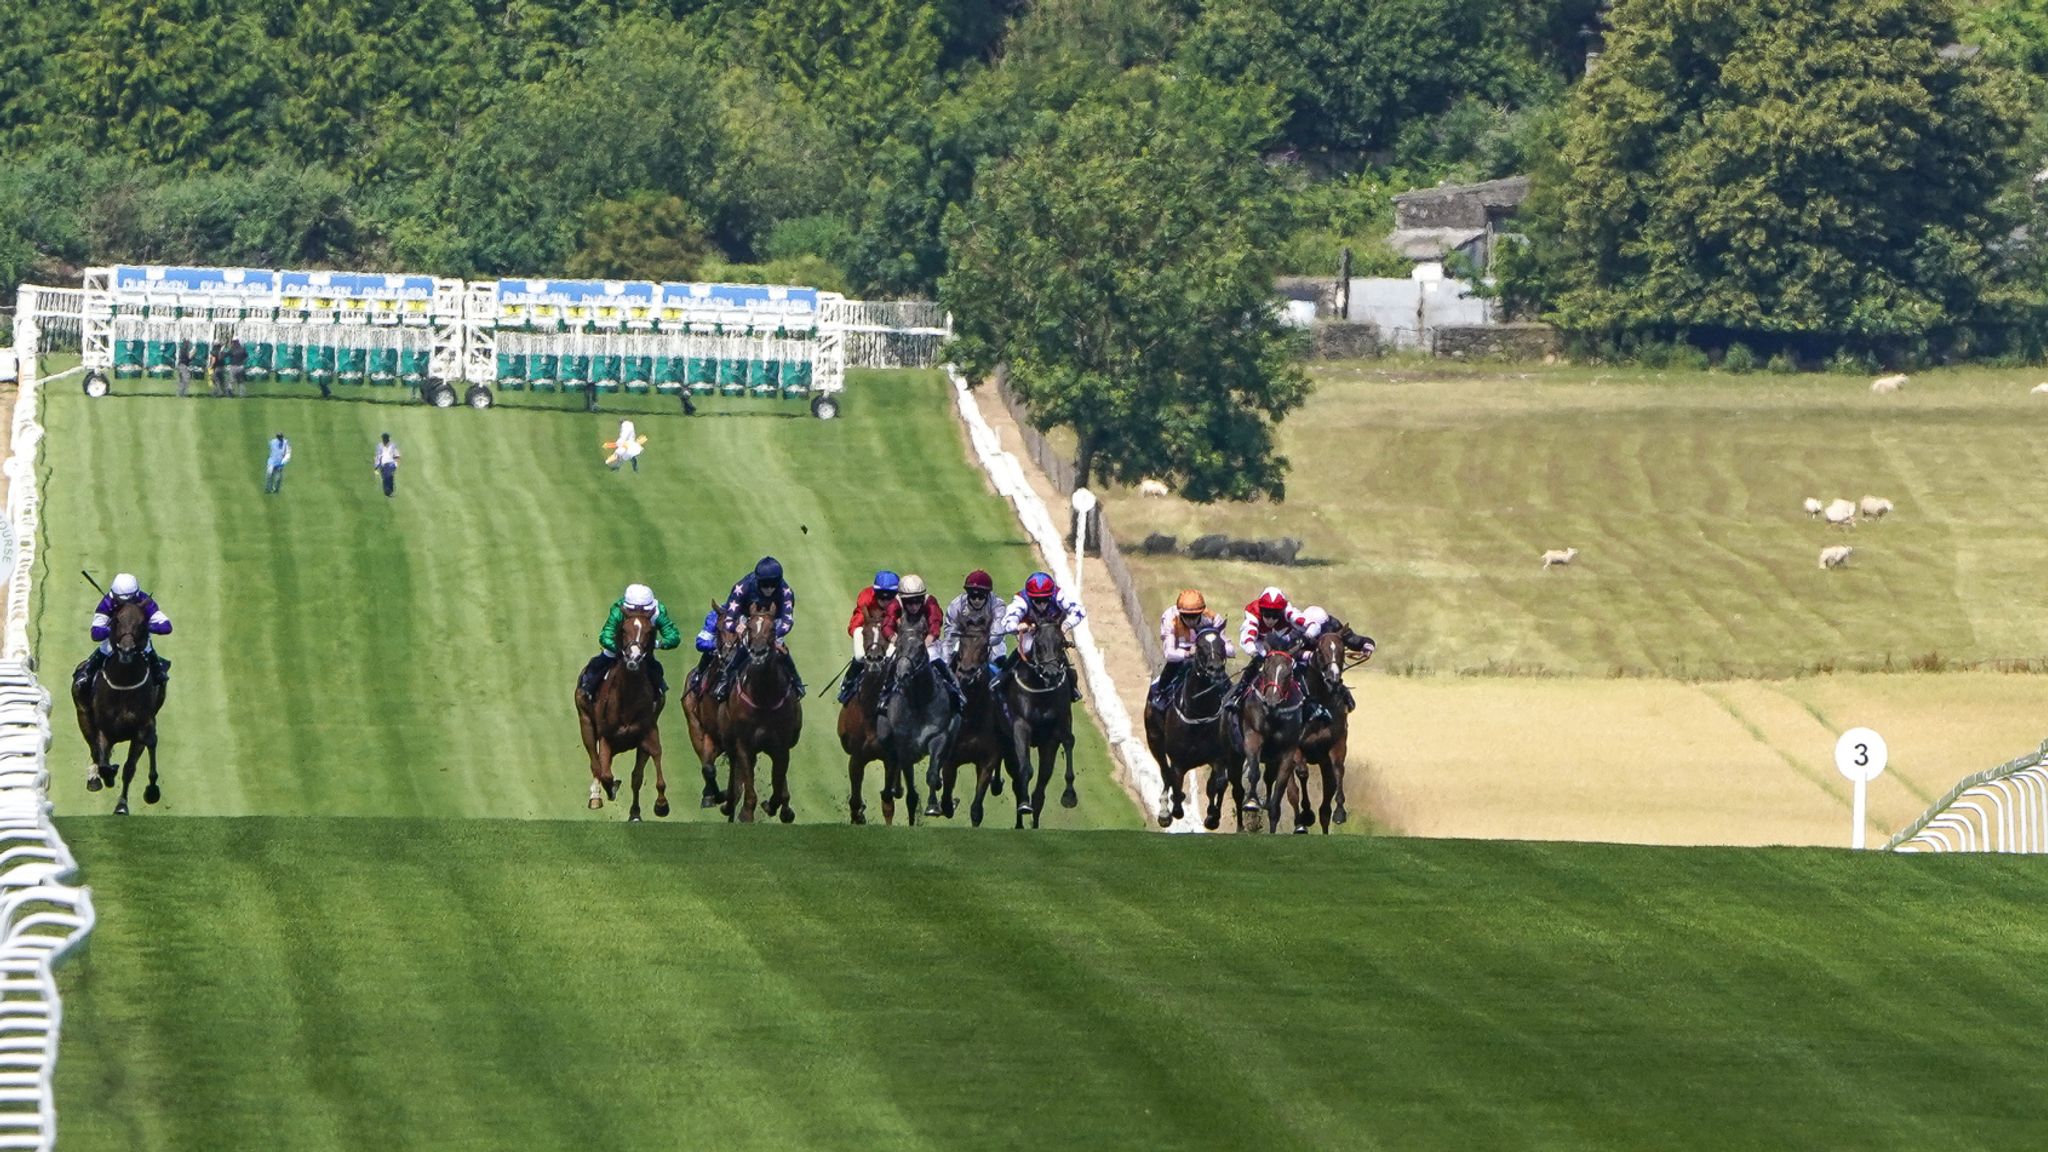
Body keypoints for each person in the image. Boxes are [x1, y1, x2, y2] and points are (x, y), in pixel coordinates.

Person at [713, 556, 802, 700]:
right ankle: (725, 681)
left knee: (782, 649)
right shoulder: (742, 588)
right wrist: (737, 627)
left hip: (771, 625)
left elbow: (787, 621)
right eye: (765, 585)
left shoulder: (786, 592)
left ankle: (796, 681)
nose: (769, 589)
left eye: (773, 585)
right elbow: (728, 619)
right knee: (742, 647)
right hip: (747, 620)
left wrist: (770, 634)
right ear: (758, 581)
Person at [577, 583, 681, 699]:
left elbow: (673, 636)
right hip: (618, 649)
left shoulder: (658, 613)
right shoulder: (618, 611)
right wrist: (621, 649)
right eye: (634, 610)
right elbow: (606, 636)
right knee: (595, 666)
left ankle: (656, 699)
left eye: (643, 611)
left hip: (643, 653)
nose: (638, 613)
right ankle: (587, 693)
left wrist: (656, 644)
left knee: (657, 670)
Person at [75, 573, 173, 691]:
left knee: (152, 658)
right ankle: (86, 675)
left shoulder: (145, 601)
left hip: (140, 642)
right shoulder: (108, 602)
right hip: (112, 643)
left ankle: (159, 675)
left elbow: (166, 626)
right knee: (104, 650)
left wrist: (144, 627)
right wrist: (114, 628)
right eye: (120, 601)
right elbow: (95, 633)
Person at [997, 571, 1084, 701]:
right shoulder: (1021, 600)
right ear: (1030, 597)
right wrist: (1018, 627)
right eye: (1037, 601)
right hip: (1031, 632)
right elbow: (1006, 623)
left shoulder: (1059, 596)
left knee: (1057, 650)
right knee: (1026, 648)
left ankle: (1073, 687)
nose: (1042, 604)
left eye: (1045, 600)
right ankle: (1001, 680)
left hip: (1053, 632)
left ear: (1051, 595)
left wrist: (1065, 625)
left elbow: (1079, 611)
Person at [881, 574, 963, 711]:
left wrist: (923, 644)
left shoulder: (930, 602)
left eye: (917, 601)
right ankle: (885, 693)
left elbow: (935, 624)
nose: (914, 606)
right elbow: (887, 626)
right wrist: (896, 641)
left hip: (926, 642)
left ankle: (955, 690)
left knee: (935, 658)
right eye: (909, 602)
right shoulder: (895, 604)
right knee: (890, 658)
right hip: (903, 642)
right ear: (902, 599)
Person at [1150, 588, 1231, 711]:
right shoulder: (1170, 618)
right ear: (1180, 613)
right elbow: (1169, 654)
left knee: (1222, 676)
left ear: (1202, 612)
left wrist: (1219, 650)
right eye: (1187, 616)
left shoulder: (1213, 619)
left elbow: (1230, 649)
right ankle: (1160, 694)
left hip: (1205, 656)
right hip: (1180, 657)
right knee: (1170, 669)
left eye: (1195, 616)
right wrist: (1188, 653)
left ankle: (1231, 699)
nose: (1191, 620)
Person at [1229, 586, 1309, 705]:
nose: (1270, 619)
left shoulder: (1289, 613)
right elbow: (1248, 637)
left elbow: (1308, 625)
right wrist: (1254, 653)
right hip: (1260, 645)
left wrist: (1306, 636)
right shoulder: (1253, 613)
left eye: (1275, 615)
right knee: (1254, 666)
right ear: (1261, 610)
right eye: (1266, 614)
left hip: (1282, 648)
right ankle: (1237, 697)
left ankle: (1308, 701)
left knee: (1295, 668)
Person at [836, 570, 900, 704]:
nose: (885, 600)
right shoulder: (866, 599)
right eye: (881, 596)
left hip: (891, 634)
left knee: (892, 657)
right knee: (860, 655)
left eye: (889, 597)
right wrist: (868, 635)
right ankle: (847, 683)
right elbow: (856, 623)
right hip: (869, 633)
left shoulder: (901, 602)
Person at [940, 570, 1006, 668]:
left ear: (987, 594)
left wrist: (979, 643)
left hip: (990, 641)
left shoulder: (998, 605)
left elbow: (997, 633)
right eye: (973, 596)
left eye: (981, 597)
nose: (977, 600)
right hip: (963, 639)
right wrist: (946, 663)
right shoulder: (956, 606)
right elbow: (949, 636)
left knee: (1000, 658)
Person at [373, 433, 401, 498]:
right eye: (384, 439)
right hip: (383, 465)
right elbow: (378, 456)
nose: (384, 441)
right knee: (387, 478)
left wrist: (396, 464)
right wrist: (376, 466)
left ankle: (388, 491)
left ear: (388, 439)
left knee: (388, 477)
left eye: (385, 439)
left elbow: (397, 455)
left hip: (391, 464)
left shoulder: (393, 446)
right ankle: (388, 491)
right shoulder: (379, 446)